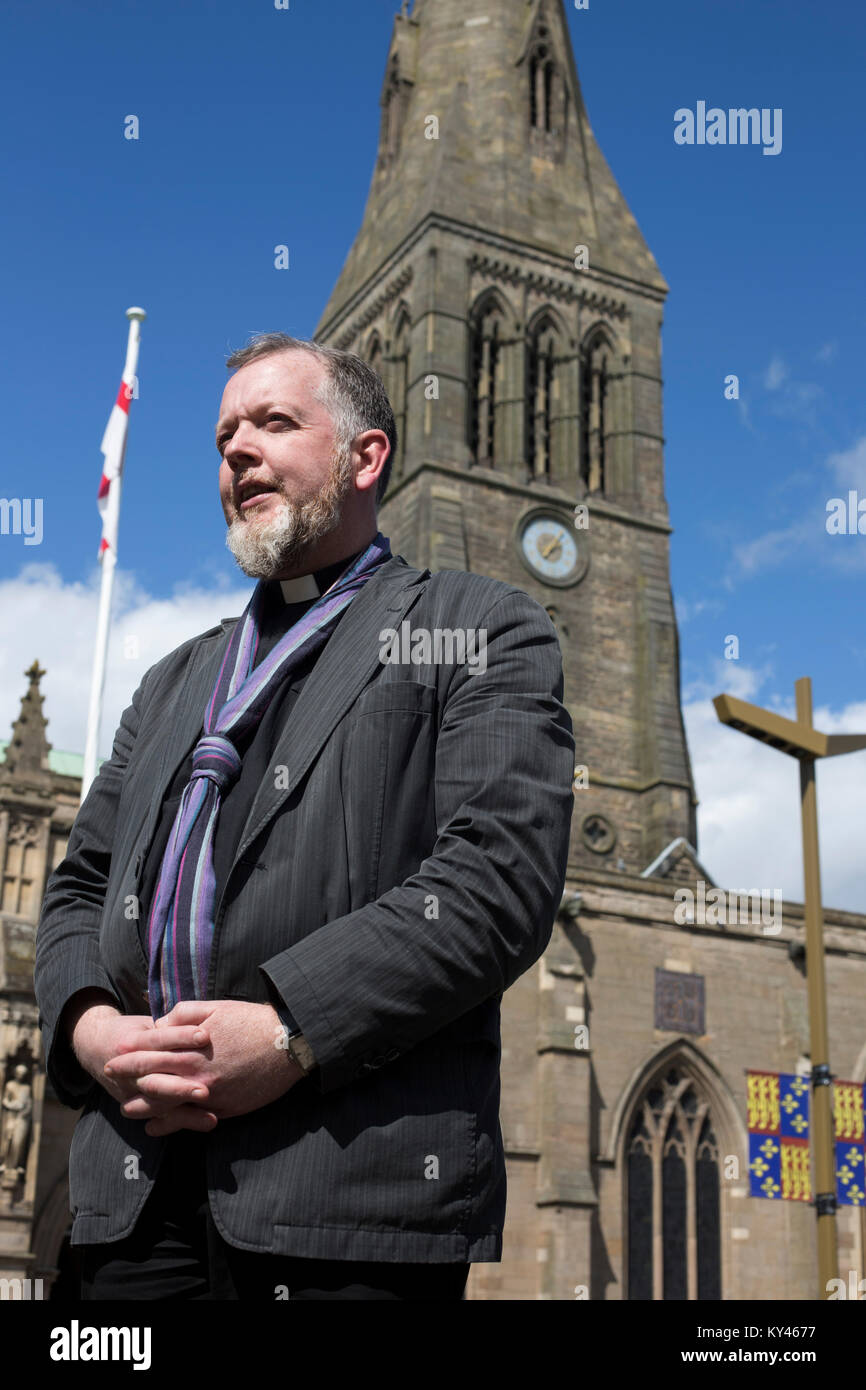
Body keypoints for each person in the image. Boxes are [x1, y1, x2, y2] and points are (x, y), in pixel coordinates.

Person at [34, 333, 574, 1300]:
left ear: (366, 457)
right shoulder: (172, 681)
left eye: (275, 422)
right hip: (129, 1203)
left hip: (345, 1205)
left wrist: (290, 1031)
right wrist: (88, 1027)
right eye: (224, 435)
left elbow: (496, 881)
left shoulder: (480, 628)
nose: (237, 449)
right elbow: (78, 885)